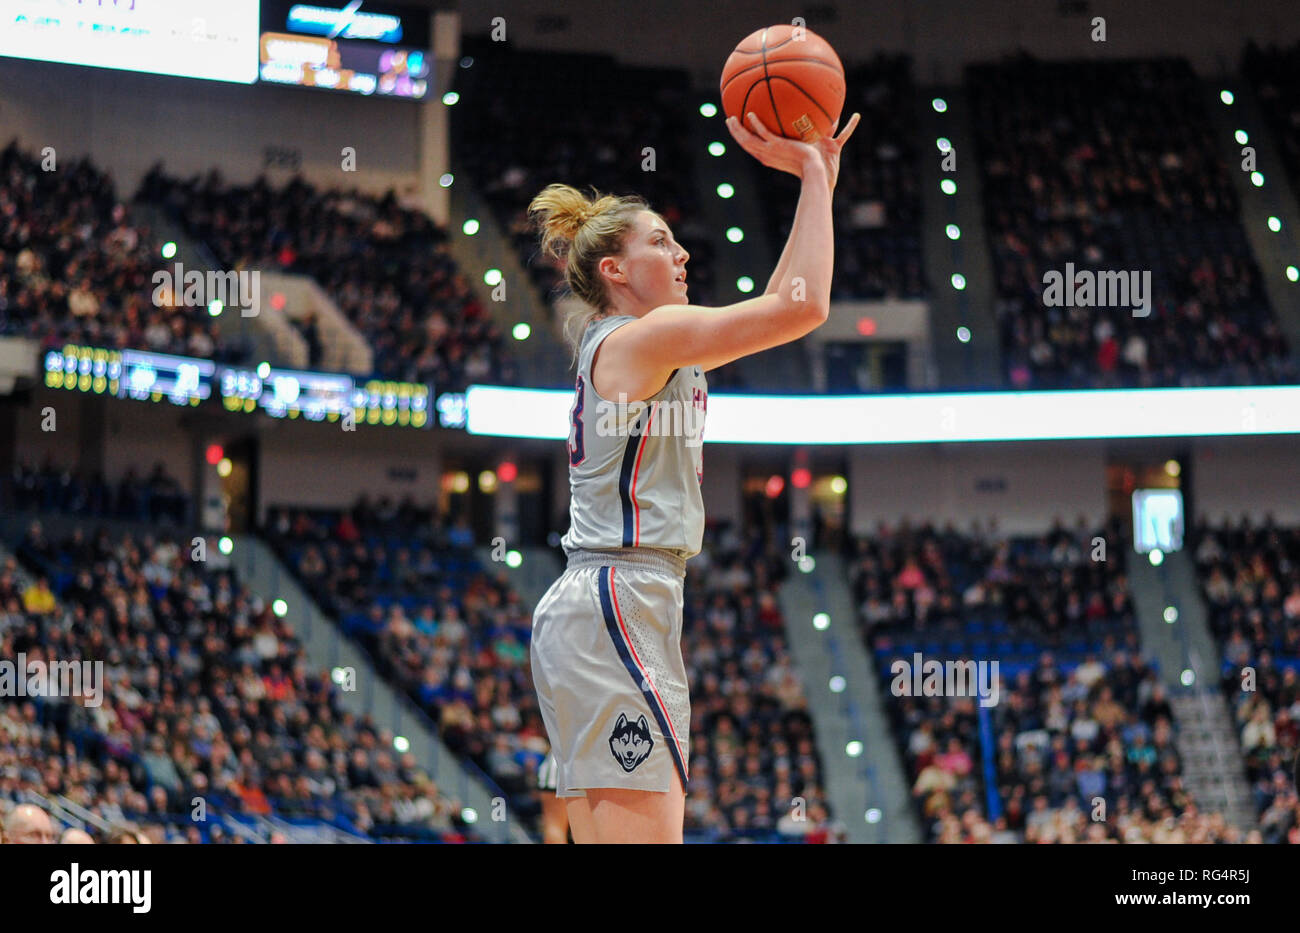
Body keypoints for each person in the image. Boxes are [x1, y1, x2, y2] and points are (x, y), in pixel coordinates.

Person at [526, 109, 860, 843]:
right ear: (613, 270)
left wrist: (817, 185)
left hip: (609, 601)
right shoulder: (645, 338)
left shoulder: (646, 343)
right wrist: (811, 177)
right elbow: (802, 306)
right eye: (660, 240)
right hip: (617, 597)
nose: (682, 253)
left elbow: (781, 297)